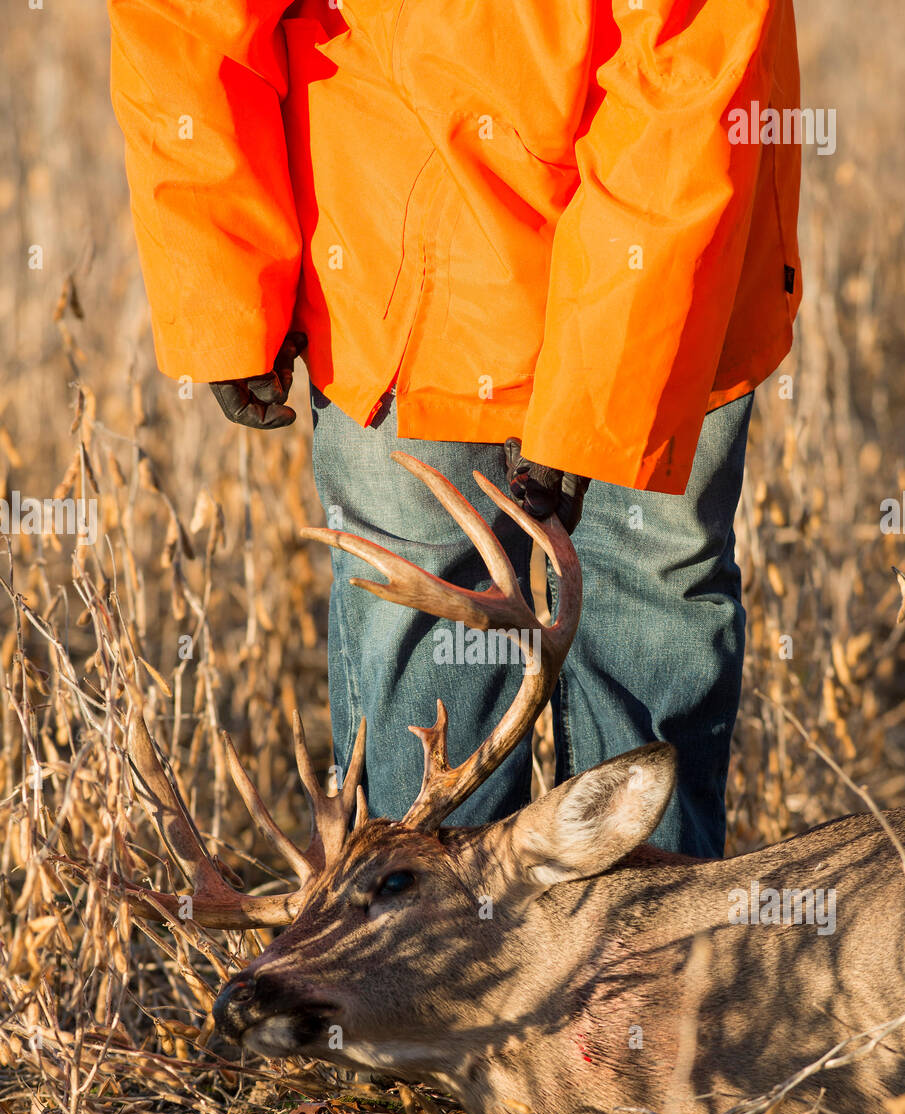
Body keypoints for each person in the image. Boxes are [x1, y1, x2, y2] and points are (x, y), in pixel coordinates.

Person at [108, 1, 802, 856]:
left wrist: (602, 395)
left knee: (596, 622)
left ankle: (624, 940)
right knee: (541, 627)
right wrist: (224, 281)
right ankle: (439, 943)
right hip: (428, 270)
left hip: (651, 283)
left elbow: (690, 66)